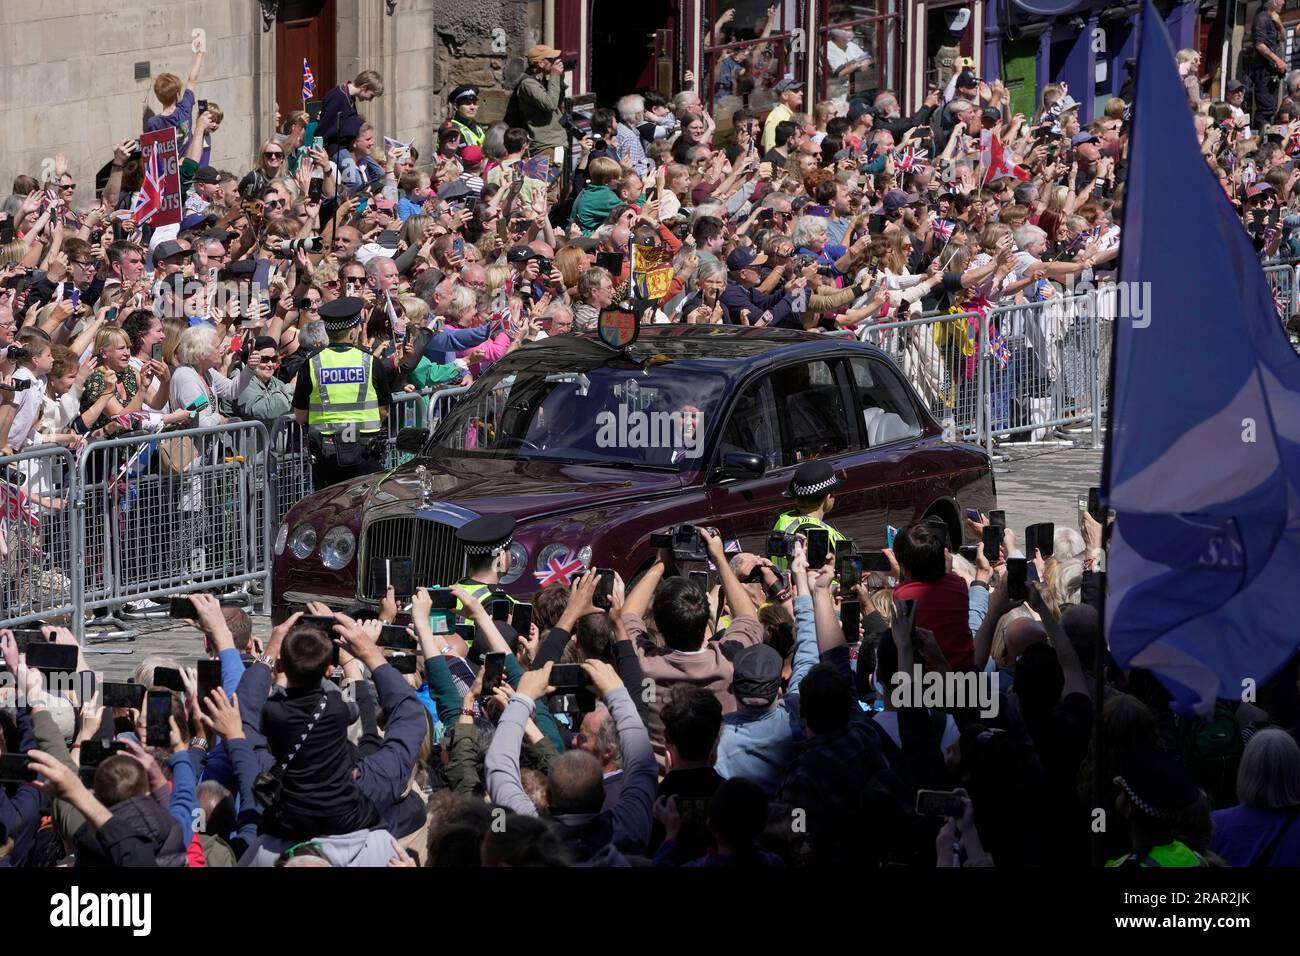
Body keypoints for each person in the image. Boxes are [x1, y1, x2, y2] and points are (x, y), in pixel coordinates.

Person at [291, 296, 392, 488]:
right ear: (353, 331)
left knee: (329, 510)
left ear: (327, 330)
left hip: (327, 453)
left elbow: (300, 416)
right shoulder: (370, 361)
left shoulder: (312, 363)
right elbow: (384, 411)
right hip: (366, 451)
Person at [770, 460, 848, 561]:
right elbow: (814, 575)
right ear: (828, 497)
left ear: (797, 498)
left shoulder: (784, 519)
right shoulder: (817, 535)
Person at [511, 45, 568, 155]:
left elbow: (557, 104)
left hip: (555, 142)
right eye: (551, 60)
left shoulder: (541, 80)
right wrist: (554, 76)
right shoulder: (528, 84)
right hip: (545, 146)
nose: (554, 63)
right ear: (541, 63)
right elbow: (550, 104)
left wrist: (559, 80)